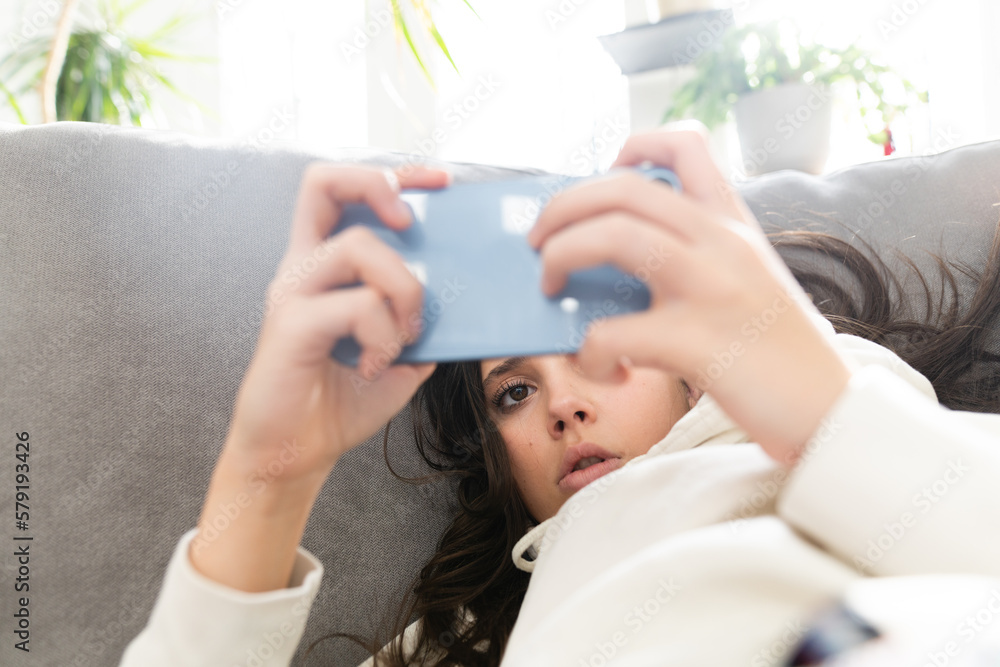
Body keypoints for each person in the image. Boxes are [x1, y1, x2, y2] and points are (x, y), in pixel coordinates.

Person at [121, 126, 1000, 667]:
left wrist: (800, 387)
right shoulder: (463, 640)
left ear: (690, 367)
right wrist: (268, 472)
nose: (563, 407)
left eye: (602, 349)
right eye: (511, 391)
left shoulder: (830, 411)